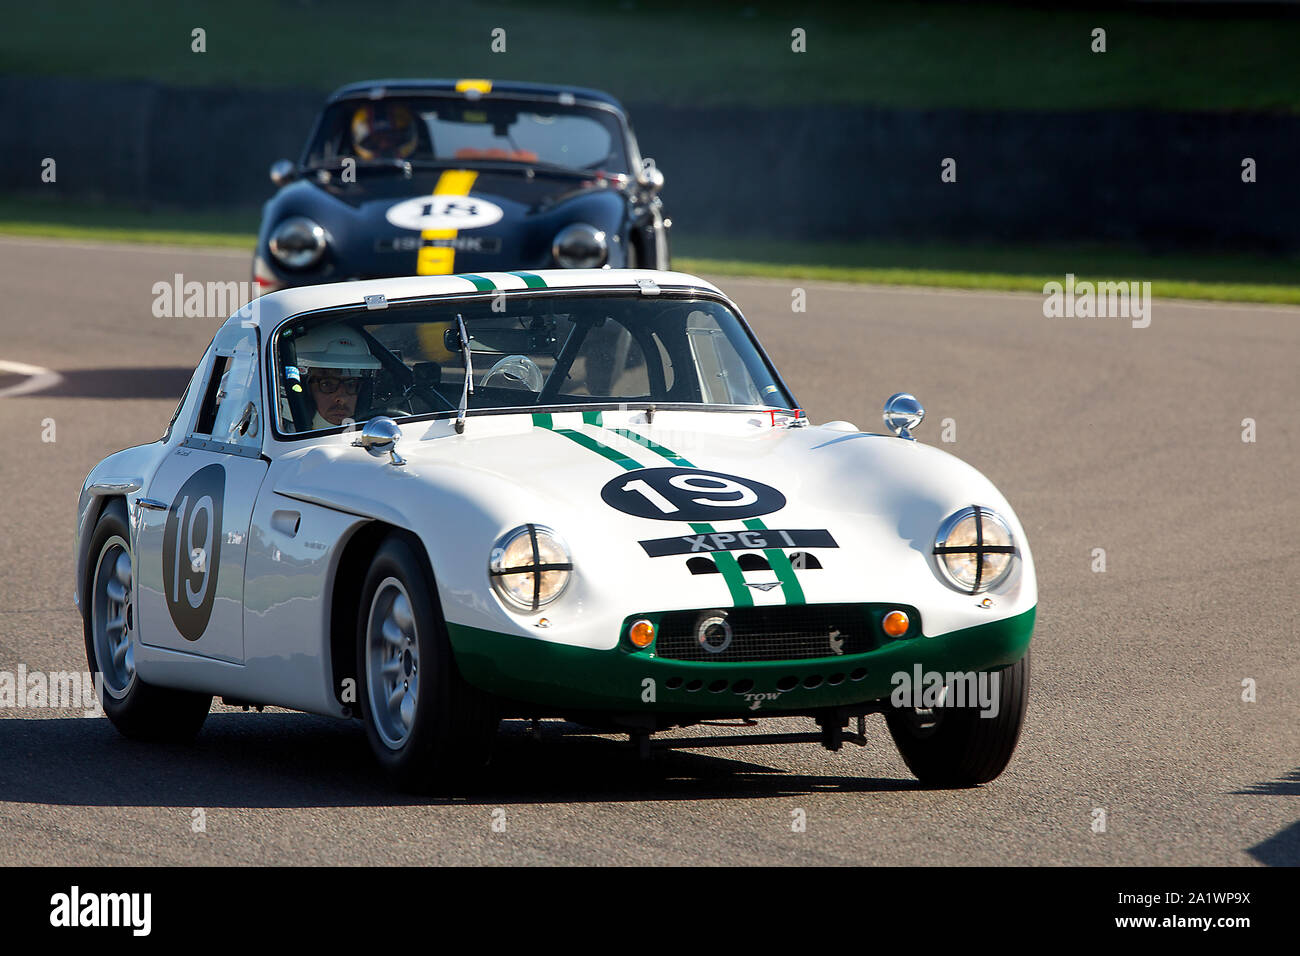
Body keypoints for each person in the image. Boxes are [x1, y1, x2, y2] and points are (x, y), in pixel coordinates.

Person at [291, 325, 382, 430]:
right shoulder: (280, 440)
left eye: (351, 385)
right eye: (327, 384)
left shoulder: (377, 433)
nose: (341, 399)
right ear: (304, 391)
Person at [349, 102, 419, 161]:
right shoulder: (348, 172)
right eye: (376, 140)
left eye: (391, 137)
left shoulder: (426, 170)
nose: (384, 145)